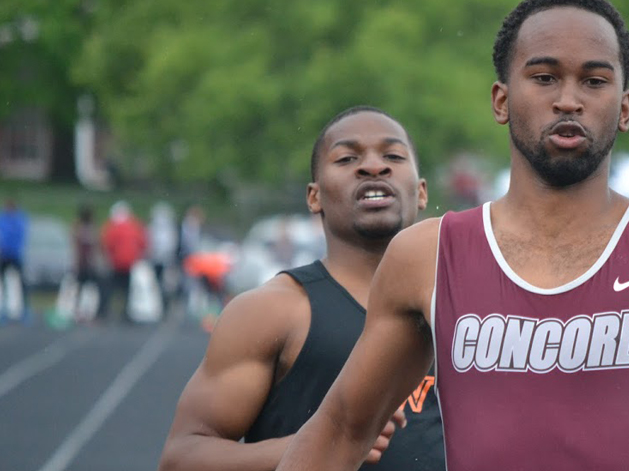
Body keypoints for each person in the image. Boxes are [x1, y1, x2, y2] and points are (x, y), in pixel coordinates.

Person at [278, 0, 629, 471]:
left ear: (625, 108)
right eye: (544, 77)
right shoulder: (427, 255)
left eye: (594, 80)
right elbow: (341, 431)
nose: (569, 100)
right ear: (501, 100)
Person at [158, 107, 444, 471]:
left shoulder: (471, 309)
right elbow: (180, 459)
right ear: (314, 197)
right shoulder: (271, 312)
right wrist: (322, 443)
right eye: (347, 158)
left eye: (393, 156)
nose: (373, 166)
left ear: (421, 192)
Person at [99, 201, 148, 321]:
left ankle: (106, 312)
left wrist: (108, 257)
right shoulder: (134, 226)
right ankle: (125, 313)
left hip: (115, 262)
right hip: (130, 262)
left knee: (111, 288)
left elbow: (107, 244)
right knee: (127, 289)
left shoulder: (112, 227)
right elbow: (143, 243)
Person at [0, 197, 30, 320]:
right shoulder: (3, 219)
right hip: (4, 255)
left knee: (22, 283)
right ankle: (4, 309)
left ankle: (25, 310)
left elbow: (20, 236)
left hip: (15, 255)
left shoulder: (19, 220)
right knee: (3, 283)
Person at [72, 204, 100, 320]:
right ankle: (83, 310)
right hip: (85, 263)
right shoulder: (86, 229)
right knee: (86, 288)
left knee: (85, 288)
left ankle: (84, 310)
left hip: (84, 263)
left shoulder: (80, 228)